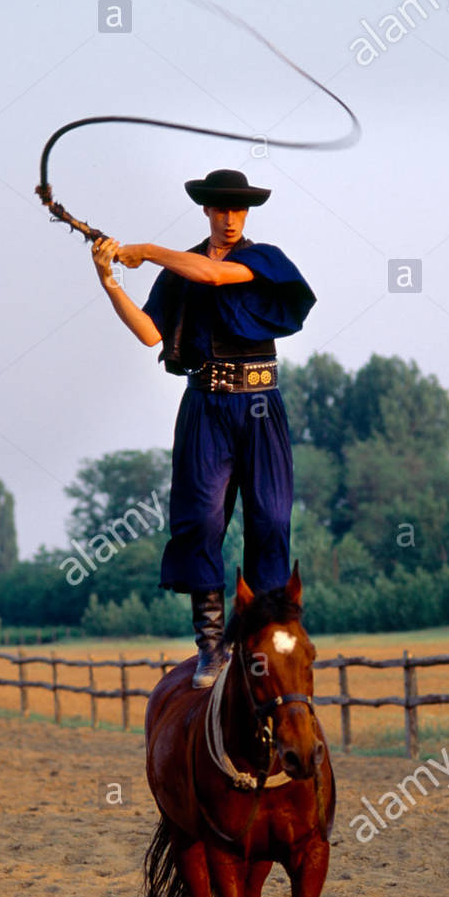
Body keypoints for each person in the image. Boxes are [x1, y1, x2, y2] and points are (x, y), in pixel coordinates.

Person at [91, 168, 316, 687]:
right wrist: (109, 279)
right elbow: (150, 333)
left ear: (247, 214)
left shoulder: (263, 260)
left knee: (271, 520)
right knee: (201, 521)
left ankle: (265, 640)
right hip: (204, 407)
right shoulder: (179, 273)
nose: (230, 218)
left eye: (238, 209)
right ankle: (212, 648)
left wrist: (145, 249)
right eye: (221, 209)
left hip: (261, 405)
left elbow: (214, 276)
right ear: (207, 212)